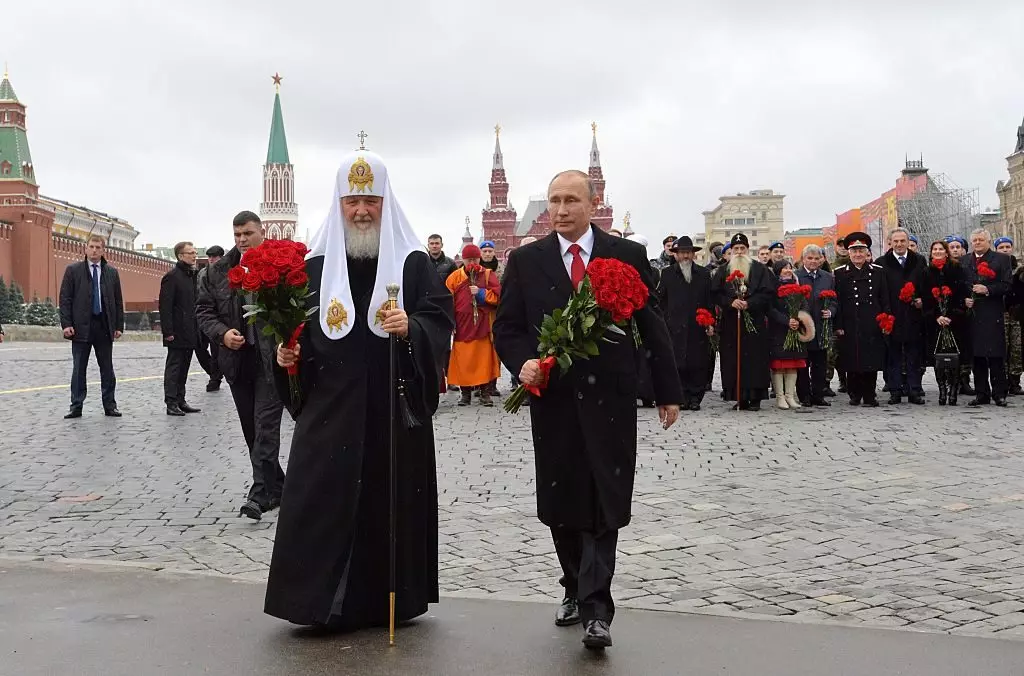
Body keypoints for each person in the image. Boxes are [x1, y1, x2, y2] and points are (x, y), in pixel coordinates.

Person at [265, 150, 454, 632]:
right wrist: (286, 359)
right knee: (318, 501)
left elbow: (439, 320)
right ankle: (318, 602)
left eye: (371, 200)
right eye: (353, 202)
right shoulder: (313, 267)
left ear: (385, 203)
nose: (362, 211)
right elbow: (293, 332)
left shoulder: (412, 263)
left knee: (387, 505)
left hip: (393, 409)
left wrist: (411, 327)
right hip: (330, 411)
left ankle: (385, 600)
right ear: (339, 203)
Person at [493, 169, 680, 651]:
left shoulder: (627, 255)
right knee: (562, 500)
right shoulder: (527, 261)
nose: (559, 209)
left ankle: (597, 609)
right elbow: (508, 328)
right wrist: (523, 364)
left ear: (593, 203)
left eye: (571, 200)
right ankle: (574, 585)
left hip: (610, 399)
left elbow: (651, 324)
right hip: (552, 399)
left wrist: (667, 391)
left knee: (604, 498)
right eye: (554, 200)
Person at [196, 211, 285, 520]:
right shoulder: (217, 272)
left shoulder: (281, 264)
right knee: (252, 430)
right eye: (237, 235)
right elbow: (204, 311)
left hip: (271, 361)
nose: (242, 240)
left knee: (265, 427)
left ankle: (260, 495)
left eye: (248, 233)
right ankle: (279, 485)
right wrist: (222, 334)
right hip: (237, 361)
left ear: (261, 231)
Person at [59, 234, 124, 418]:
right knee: (79, 368)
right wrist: (66, 324)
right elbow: (65, 299)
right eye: (91, 246)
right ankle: (76, 405)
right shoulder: (73, 270)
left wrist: (118, 325)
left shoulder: (111, 272)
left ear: (103, 250)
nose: (94, 250)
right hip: (80, 327)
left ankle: (110, 405)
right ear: (85, 248)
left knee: (107, 369)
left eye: (98, 247)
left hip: (104, 326)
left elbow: (118, 301)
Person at [710, 233, 774, 410]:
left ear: (747, 249)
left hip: (755, 322)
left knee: (755, 360)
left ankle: (755, 398)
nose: (738, 252)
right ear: (731, 250)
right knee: (733, 359)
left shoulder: (760, 270)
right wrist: (731, 302)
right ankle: (738, 396)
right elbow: (715, 293)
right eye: (735, 249)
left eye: (742, 249)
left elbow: (767, 293)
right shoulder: (723, 271)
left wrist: (749, 303)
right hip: (731, 322)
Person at [833, 232, 889, 406]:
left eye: (861, 251)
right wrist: (839, 324)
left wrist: (885, 321)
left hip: (871, 321)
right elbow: (838, 301)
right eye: (854, 251)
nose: (858, 254)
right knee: (852, 359)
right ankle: (854, 394)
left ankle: (870, 394)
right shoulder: (840, 273)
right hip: (850, 323)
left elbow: (884, 298)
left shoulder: (878, 272)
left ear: (867, 253)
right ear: (849, 253)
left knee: (871, 360)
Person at [658, 236, 713, 410]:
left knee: (698, 363)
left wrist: (711, 322)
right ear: (676, 255)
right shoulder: (667, 274)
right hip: (674, 327)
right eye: (682, 253)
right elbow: (661, 301)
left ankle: (695, 397)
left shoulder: (704, 274)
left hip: (698, 326)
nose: (685, 256)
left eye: (688, 253)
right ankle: (681, 396)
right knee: (678, 363)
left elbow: (709, 301)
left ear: (693, 254)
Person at [446, 243, 501, 406]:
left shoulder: (488, 275)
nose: (472, 263)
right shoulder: (454, 277)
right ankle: (465, 394)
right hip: (462, 327)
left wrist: (482, 294)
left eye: (475, 259)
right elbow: (446, 301)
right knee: (463, 360)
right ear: (463, 259)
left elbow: (499, 297)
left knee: (483, 360)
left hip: (483, 325)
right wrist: (450, 322)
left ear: (479, 259)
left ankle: (485, 393)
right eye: (468, 259)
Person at [877, 228, 927, 405]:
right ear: (890, 242)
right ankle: (895, 390)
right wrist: (885, 314)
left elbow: (925, 285)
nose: (899, 244)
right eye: (895, 241)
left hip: (914, 315)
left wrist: (922, 300)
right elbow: (879, 291)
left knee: (914, 355)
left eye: (902, 241)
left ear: (908, 242)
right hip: (892, 316)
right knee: (893, 355)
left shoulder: (919, 260)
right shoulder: (882, 262)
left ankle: (914, 389)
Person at [963, 228, 1013, 406]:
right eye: (975, 240)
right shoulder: (964, 260)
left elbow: (1007, 285)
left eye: (981, 240)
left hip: (992, 314)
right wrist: (965, 299)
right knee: (977, 357)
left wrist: (988, 290)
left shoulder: (1001, 259)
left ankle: (999, 393)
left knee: (996, 356)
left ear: (988, 242)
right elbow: (960, 285)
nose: (977, 243)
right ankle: (981, 393)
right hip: (973, 315)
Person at [159, 241, 202, 416]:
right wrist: (168, 332)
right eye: (190, 253)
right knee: (174, 368)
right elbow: (165, 306)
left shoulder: (193, 276)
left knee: (184, 367)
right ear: (180, 256)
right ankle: (171, 402)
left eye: (194, 252)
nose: (194, 255)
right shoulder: (172, 277)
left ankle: (180, 400)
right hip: (176, 332)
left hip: (191, 330)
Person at [923, 240, 967, 406]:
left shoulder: (957, 269)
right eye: (935, 249)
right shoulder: (926, 272)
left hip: (954, 321)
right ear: (931, 252)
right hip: (936, 322)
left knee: (955, 356)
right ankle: (942, 389)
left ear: (946, 252)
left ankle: (954, 389)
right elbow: (926, 298)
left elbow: (961, 295)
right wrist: (937, 316)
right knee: (938, 358)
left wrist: (950, 316)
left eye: (941, 249)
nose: (938, 251)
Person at [768, 261, 812, 409]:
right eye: (784, 268)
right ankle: (780, 397)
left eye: (789, 268)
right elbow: (771, 309)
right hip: (779, 330)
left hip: (795, 329)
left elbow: (804, 305)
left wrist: (798, 319)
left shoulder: (797, 285)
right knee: (780, 365)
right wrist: (787, 321)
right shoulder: (773, 287)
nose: (787, 270)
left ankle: (790, 396)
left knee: (793, 364)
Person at [794, 244, 834, 406]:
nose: (813, 261)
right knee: (803, 364)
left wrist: (830, 311)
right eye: (809, 258)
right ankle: (804, 396)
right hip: (803, 327)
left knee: (820, 364)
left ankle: (818, 395)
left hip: (821, 327)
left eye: (816, 258)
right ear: (803, 259)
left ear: (822, 260)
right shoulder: (796, 276)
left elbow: (835, 301)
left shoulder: (828, 277)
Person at [995, 236, 1024, 395]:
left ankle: (1015, 381)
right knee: (1002, 348)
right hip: (1000, 314)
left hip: (1017, 316)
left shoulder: (1019, 269)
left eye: (1007, 246)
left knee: (1017, 349)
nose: (1005, 250)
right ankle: (1002, 381)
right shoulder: (994, 267)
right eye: (1001, 247)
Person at [196, 245, 225, 391]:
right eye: (210, 257)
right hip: (203, 314)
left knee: (216, 351)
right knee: (200, 348)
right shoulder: (202, 273)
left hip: (218, 318)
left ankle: (215, 379)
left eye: (214, 257)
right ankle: (215, 373)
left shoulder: (225, 272)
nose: (211, 259)